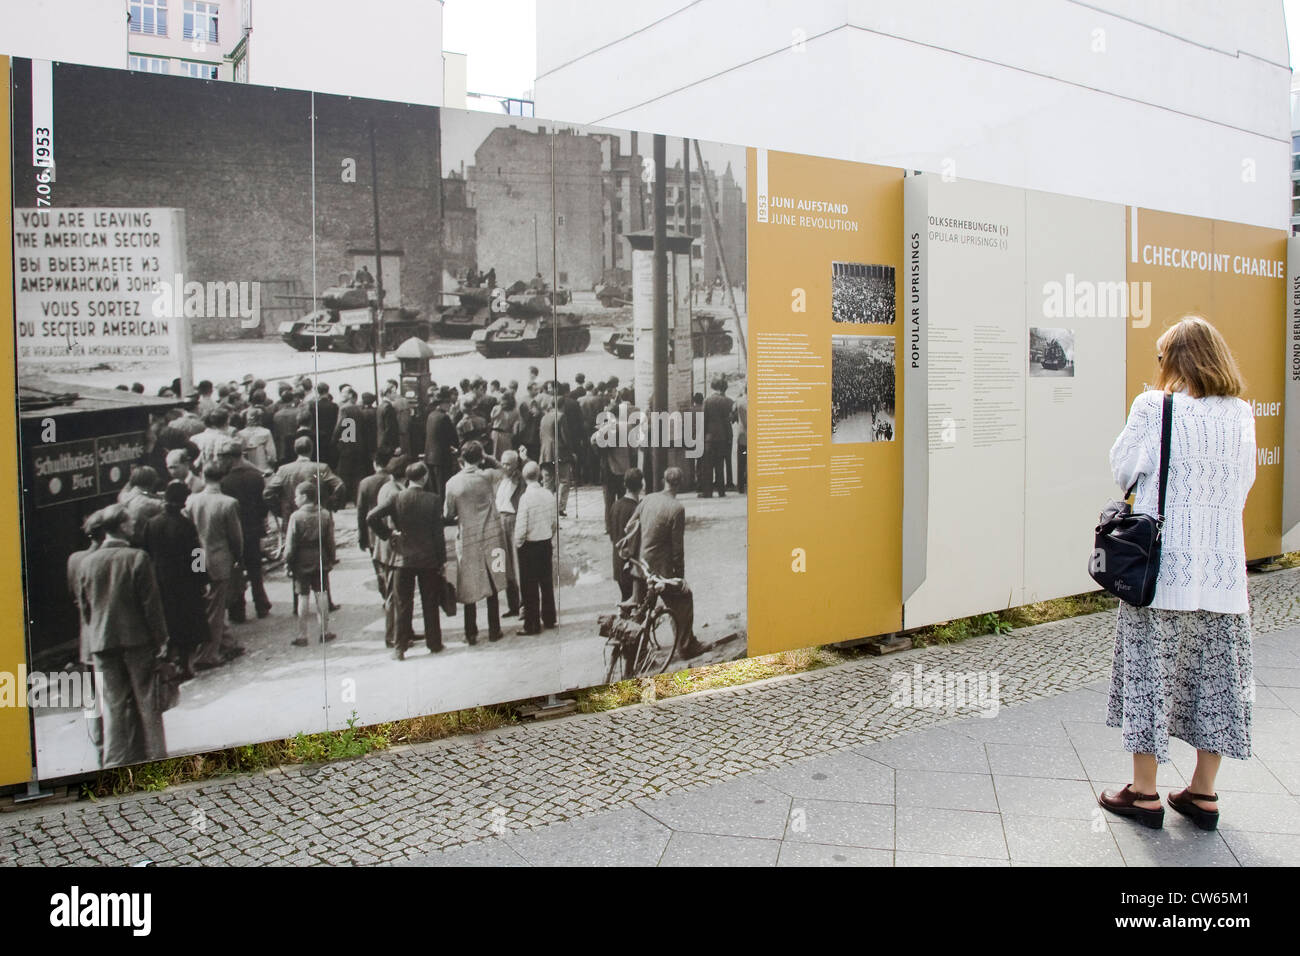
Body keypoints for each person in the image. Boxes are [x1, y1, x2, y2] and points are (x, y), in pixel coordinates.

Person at [1099, 316, 1257, 831]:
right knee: (1217, 680)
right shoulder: (1241, 414)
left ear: (1175, 361)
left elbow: (1123, 468)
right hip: (1224, 574)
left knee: (1150, 676)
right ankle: (1203, 793)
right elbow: (1245, 482)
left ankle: (1144, 794)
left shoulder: (1154, 406)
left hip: (1161, 573)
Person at [74, 505, 169, 766]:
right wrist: (161, 640)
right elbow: (151, 605)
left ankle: (114, 762)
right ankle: (157, 757)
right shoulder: (137, 558)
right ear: (123, 526)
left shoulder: (87, 563)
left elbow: (85, 606)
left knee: (113, 704)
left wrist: (95, 636)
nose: (133, 526)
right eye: (130, 523)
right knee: (147, 700)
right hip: (137, 640)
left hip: (102, 642)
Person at [621, 466, 706, 658]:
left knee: (638, 608)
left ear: (663, 481)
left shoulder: (648, 498)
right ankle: (685, 646)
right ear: (680, 484)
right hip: (660, 571)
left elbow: (630, 526)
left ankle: (632, 653)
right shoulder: (677, 508)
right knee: (683, 600)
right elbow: (678, 549)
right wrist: (680, 578)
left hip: (639, 565)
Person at [366, 462, 446, 660]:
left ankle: (399, 647)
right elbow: (438, 533)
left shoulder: (396, 498)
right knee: (430, 601)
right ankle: (434, 643)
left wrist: (388, 534)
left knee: (403, 603)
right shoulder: (433, 500)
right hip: (427, 558)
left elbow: (371, 517)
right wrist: (442, 559)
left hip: (402, 558)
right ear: (425, 477)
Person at [140, 481, 210, 679]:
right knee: (187, 622)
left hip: (160, 580)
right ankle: (185, 663)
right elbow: (196, 553)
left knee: (168, 621)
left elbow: (145, 553)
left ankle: (168, 661)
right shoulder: (185, 524)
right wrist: (202, 579)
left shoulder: (151, 523)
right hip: (185, 582)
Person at [443, 441, 507, 644]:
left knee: (468, 583)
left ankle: (470, 633)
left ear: (461, 458)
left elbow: (448, 513)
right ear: (480, 457)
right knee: (493, 582)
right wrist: (487, 456)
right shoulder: (487, 476)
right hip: (490, 534)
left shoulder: (453, 483)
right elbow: (503, 469)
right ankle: (494, 630)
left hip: (468, 536)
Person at [185, 464, 245, 670]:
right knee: (217, 607)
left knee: (207, 602)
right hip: (219, 559)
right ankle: (207, 655)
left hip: (197, 556)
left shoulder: (191, 501)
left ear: (202, 475)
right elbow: (235, 536)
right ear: (223, 477)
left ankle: (228, 642)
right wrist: (238, 557)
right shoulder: (228, 503)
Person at [218, 438, 271, 621]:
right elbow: (263, 504)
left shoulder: (225, 481)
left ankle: (237, 610)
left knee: (236, 570)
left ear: (230, 458)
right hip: (253, 529)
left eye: (222, 457)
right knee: (255, 569)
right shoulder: (255, 476)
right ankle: (261, 605)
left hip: (234, 532)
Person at [284, 482, 337, 647]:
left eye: (297, 495)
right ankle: (325, 631)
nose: (295, 499)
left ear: (305, 497)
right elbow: (330, 541)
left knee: (303, 597)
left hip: (301, 561)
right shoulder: (325, 514)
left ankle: (302, 634)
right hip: (320, 558)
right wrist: (331, 558)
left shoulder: (296, 517)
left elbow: (291, 544)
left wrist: (288, 562)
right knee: (321, 594)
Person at [513, 460, 557, 635]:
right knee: (546, 582)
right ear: (539, 476)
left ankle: (532, 624)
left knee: (529, 586)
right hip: (545, 542)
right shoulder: (548, 495)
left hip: (529, 545)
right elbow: (554, 521)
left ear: (524, 478)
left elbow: (521, 526)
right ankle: (549, 617)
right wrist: (548, 534)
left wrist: (518, 542)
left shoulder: (525, 498)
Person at [264, 436, 346, 525]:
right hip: (318, 518)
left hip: (291, 518)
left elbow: (267, 493)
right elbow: (340, 485)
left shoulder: (283, 470)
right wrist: (330, 505)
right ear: (311, 450)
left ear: (295, 450)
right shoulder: (322, 468)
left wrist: (281, 510)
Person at [356, 448, 393, 599]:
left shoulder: (365, 483)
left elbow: (361, 512)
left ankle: (385, 595)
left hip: (373, 532)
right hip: (391, 528)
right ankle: (393, 594)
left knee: (378, 565)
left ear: (375, 464)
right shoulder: (393, 480)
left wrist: (362, 536)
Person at [493, 450, 525, 618]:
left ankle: (524, 606)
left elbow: (532, 472)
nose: (504, 466)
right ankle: (512, 605)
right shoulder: (498, 479)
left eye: (508, 464)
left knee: (518, 565)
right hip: (500, 520)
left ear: (515, 465)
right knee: (505, 566)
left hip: (514, 520)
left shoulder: (520, 480)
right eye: (503, 463)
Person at [608, 467, 642, 602]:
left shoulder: (615, 505)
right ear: (641, 486)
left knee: (625, 599)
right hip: (631, 567)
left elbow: (611, 534)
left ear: (625, 485)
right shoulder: (636, 509)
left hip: (617, 563)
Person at [701, 375, 734, 498]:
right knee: (720, 465)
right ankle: (721, 491)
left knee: (708, 466)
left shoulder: (707, 401)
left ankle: (708, 492)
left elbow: (703, 420)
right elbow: (732, 418)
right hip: (723, 437)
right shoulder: (728, 401)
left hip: (709, 438)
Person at [423, 387, 459, 497]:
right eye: (448, 403)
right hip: (441, 458)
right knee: (442, 487)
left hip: (429, 457)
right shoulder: (444, 418)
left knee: (433, 488)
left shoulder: (431, 415)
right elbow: (453, 438)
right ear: (442, 403)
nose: (450, 405)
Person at [235, 406, 277, 474]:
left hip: (246, 468)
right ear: (260, 418)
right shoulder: (265, 432)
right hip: (263, 466)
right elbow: (271, 453)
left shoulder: (240, 433)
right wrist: (272, 464)